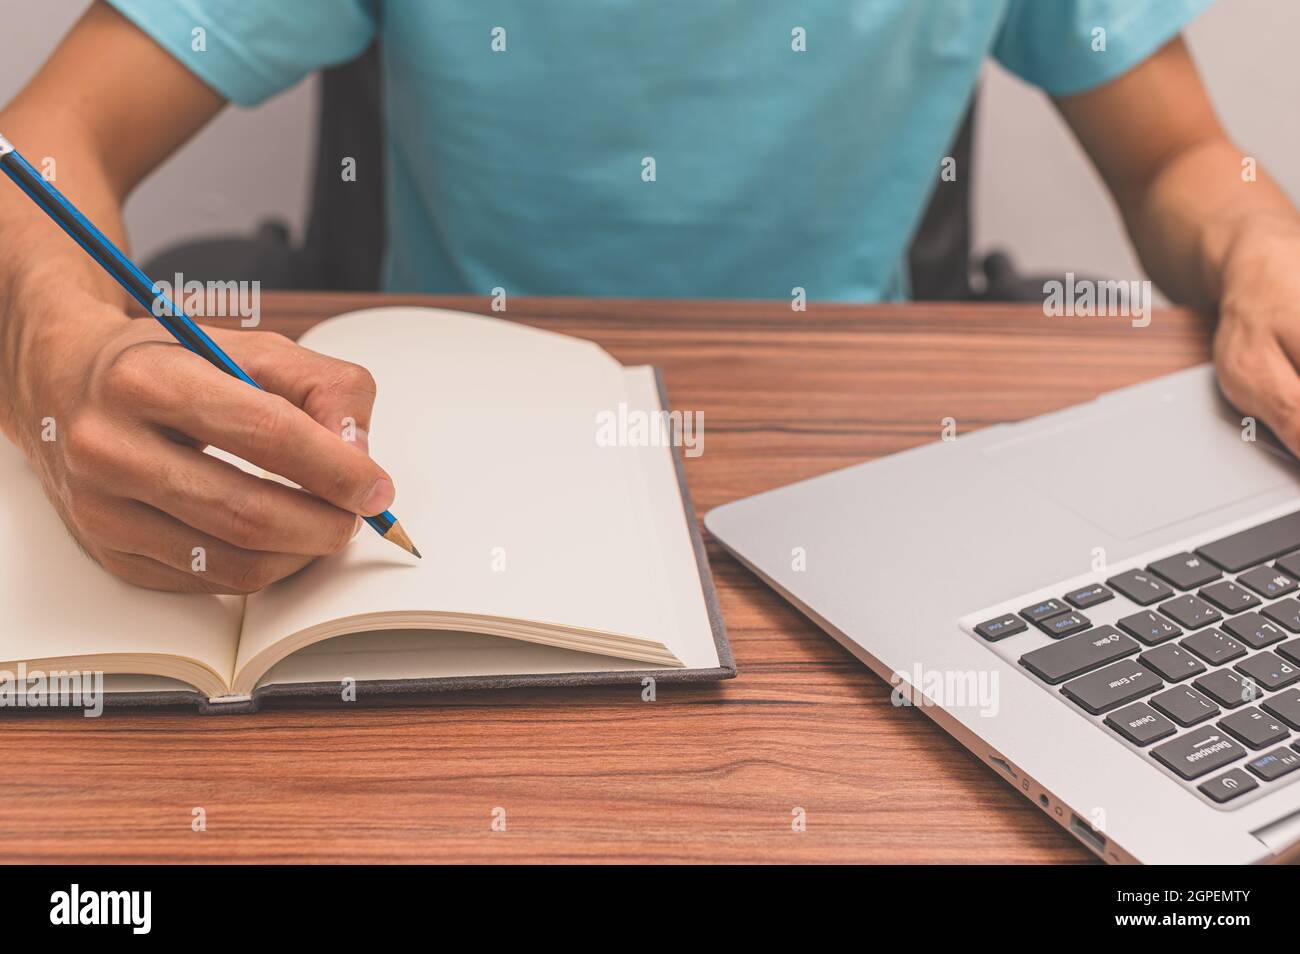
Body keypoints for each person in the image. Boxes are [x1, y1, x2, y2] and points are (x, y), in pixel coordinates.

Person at [0, 1, 1296, 594]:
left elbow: (1185, 158)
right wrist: (56, 337)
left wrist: (1261, 242)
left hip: (862, 490)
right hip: (436, 473)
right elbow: (49, 147)